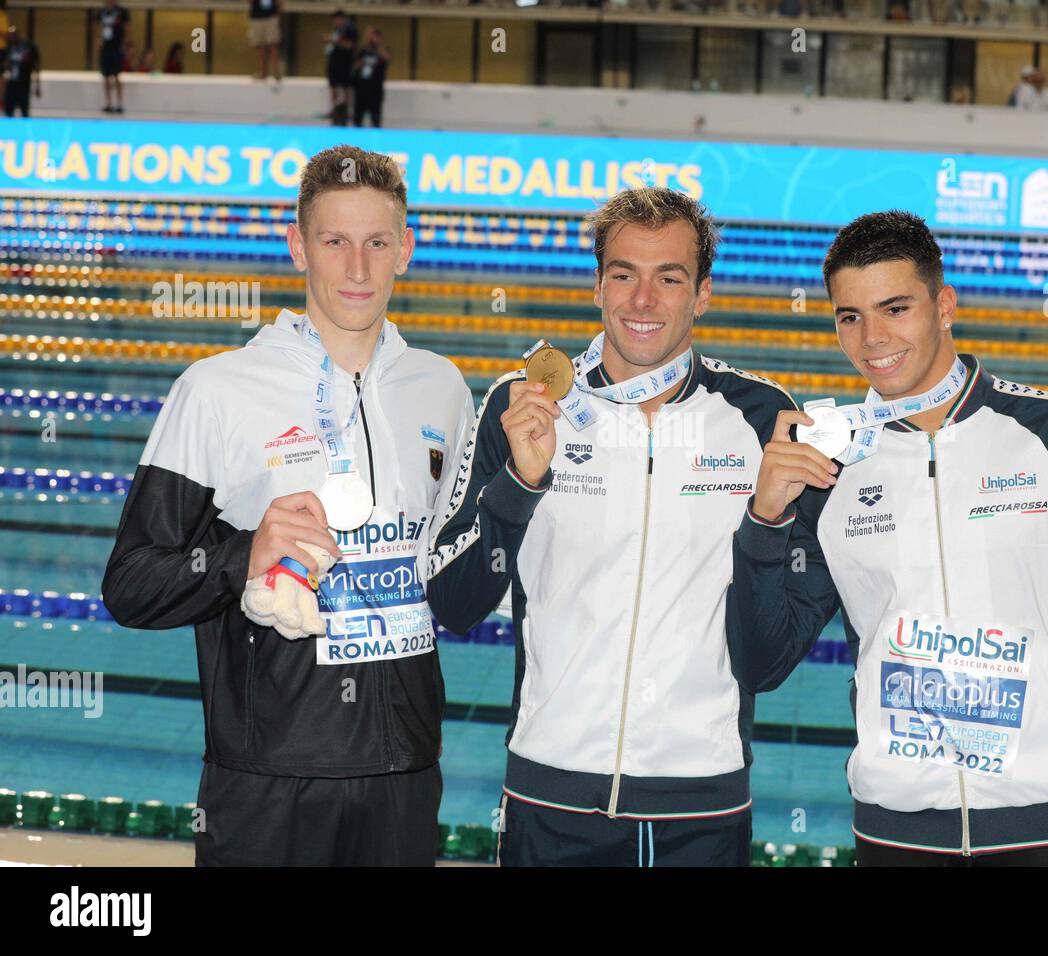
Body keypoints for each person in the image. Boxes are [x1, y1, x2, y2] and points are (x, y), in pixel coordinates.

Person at [727, 210, 1048, 867]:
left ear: (945, 306)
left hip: (1046, 833)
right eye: (850, 316)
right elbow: (762, 665)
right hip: (893, 838)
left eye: (895, 308)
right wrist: (764, 522)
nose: (872, 338)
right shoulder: (829, 467)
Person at [102, 145, 475, 866]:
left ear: (406, 250)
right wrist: (245, 555)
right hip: (266, 779)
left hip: (403, 773)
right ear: (298, 246)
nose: (357, 268)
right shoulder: (217, 392)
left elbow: (455, 569)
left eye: (377, 243)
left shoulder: (443, 389)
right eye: (334, 241)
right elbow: (131, 582)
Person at [427, 186, 797, 867]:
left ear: (703, 294)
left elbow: (774, 642)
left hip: (703, 804)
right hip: (551, 795)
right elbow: (453, 602)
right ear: (598, 286)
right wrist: (519, 483)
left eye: (669, 278)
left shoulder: (759, 418)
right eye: (624, 275)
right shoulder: (523, 405)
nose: (643, 300)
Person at [325, 9, 357, 126]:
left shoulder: (350, 29)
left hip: (345, 63)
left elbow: (350, 45)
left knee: (345, 87)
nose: (335, 22)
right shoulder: (337, 30)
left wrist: (335, 41)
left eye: (337, 20)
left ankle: (346, 111)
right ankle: (335, 109)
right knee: (333, 86)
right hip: (334, 62)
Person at [352, 27, 389, 128]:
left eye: (372, 36)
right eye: (368, 36)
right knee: (358, 118)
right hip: (361, 88)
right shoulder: (362, 51)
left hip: (375, 89)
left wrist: (377, 46)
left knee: (375, 117)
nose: (369, 38)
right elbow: (354, 66)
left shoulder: (381, 50)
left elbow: (386, 58)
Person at [96, 0, 129, 114]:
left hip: (116, 47)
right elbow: (98, 26)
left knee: (117, 75)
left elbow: (126, 27)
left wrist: (124, 44)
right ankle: (108, 103)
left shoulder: (121, 11)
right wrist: (98, 39)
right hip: (106, 47)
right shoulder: (102, 11)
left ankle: (119, 103)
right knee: (106, 76)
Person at [3, 24, 38, 118]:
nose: (11, 37)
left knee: (24, 108)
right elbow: (5, 66)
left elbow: (35, 65)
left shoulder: (27, 47)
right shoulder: (9, 48)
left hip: (23, 83)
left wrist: (37, 85)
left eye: (13, 35)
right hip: (11, 82)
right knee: (8, 107)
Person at [248, 0, 282, 86]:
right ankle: (263, 72)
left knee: (273, 45)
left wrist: (279, 9)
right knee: (259, 46)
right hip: (256, 17)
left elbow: (279, 2)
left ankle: (276, 72)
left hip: (271, 16)